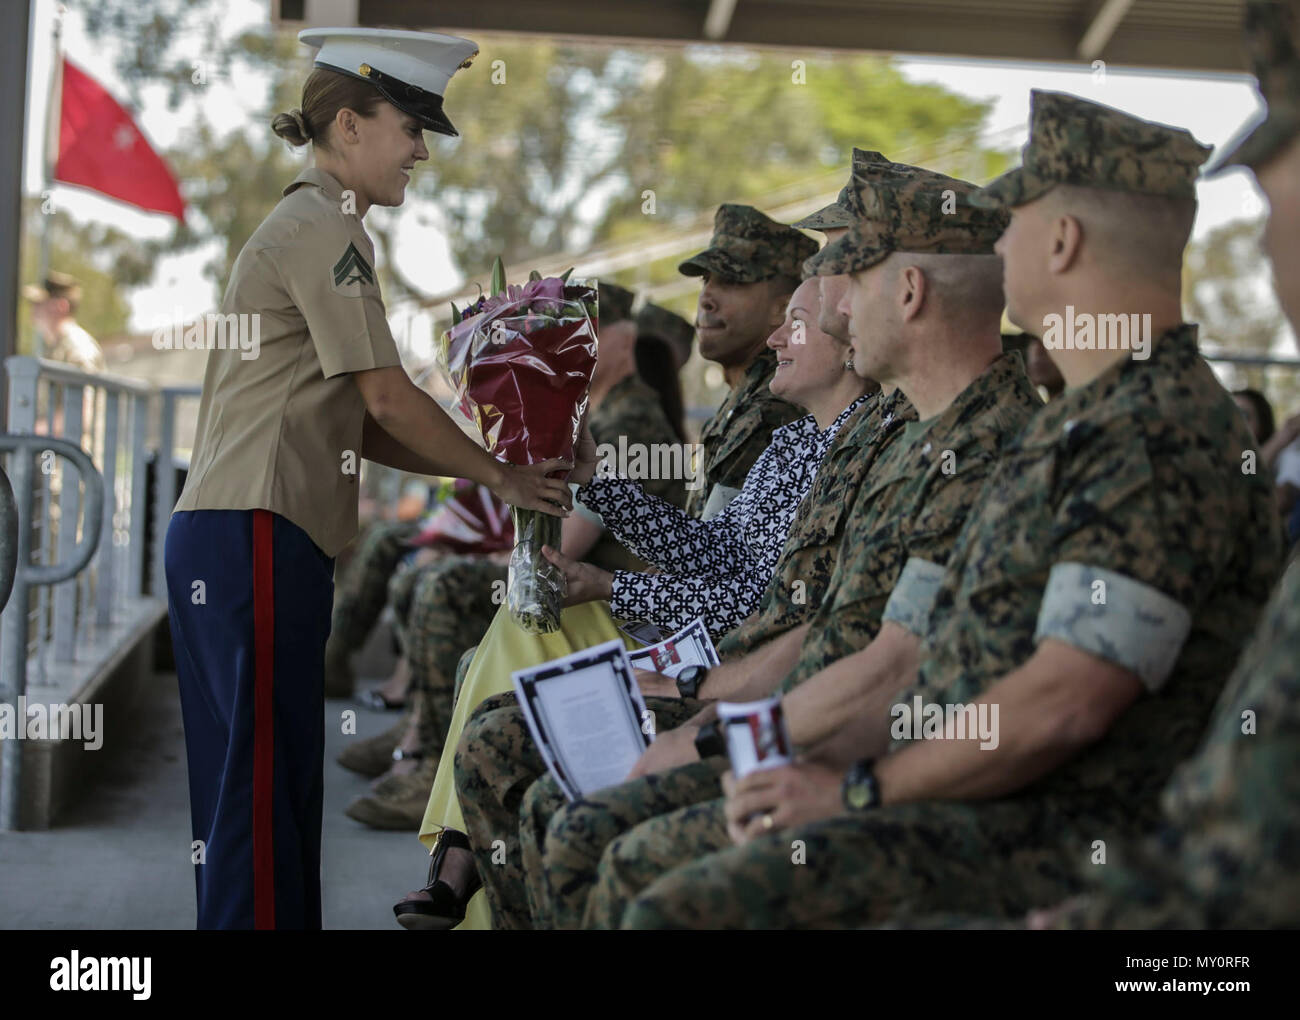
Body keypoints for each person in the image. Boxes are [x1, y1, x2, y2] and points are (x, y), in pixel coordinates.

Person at [612, 92, 1277, 929]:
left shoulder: (1150, 430)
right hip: (953, 781)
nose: (1000, 246)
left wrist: (855, 787)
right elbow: (923, 647)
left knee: (658, 893)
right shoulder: (1081, 421)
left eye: (1016, 221)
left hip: (1047, 832)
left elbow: (1067, 700)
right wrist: (771, 751)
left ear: (1062, 240)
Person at [523, 160, 1045, 930]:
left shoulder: (975, 442)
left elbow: (885, 656)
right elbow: (793, 601)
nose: (831, 304)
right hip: (803, 708)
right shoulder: (882, 432)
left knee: (609, 847)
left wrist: (715, 720)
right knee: (542, 771)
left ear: (906, 293)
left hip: (879, 753)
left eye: (844, 275)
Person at [163, 27, 573, 931]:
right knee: (261, 793)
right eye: (410, 125)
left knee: (255, 786)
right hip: (256, 532)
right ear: (348, 125)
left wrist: (489, 468)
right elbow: (387, 397)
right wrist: (501, 475)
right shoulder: (325, 228)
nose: (422, 148)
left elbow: (368, 422)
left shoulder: (313, 223)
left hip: (240, 529)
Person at [395, 205, 815, 928]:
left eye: (735, 280)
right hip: (690, 631)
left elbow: (754, 595)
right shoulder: (776, 418)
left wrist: (610, 582)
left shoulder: (798, 421)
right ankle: (452, 853)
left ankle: (452, 857)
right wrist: (591, 484)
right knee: (511, 627)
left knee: (513, 641)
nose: (708, 295)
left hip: (728, 660)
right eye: (705, 276)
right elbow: (720, 555)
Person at [342, 281, 690, 830]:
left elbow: (566, 543)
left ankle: (431, 756)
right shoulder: (593, 410)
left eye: (581, 334)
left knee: (447, 586)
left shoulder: (631, 421)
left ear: (622, 342)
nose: (571, 345)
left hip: (611, 600)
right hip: (584, 583)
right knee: (433, 573)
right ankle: (422, 731)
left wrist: (503, 556)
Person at [24, 271, 107, 372]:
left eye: (40, 302)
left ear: (61, 306)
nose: (33, 308)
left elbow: (82, 386)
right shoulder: (58, 347)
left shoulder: (78, 348)